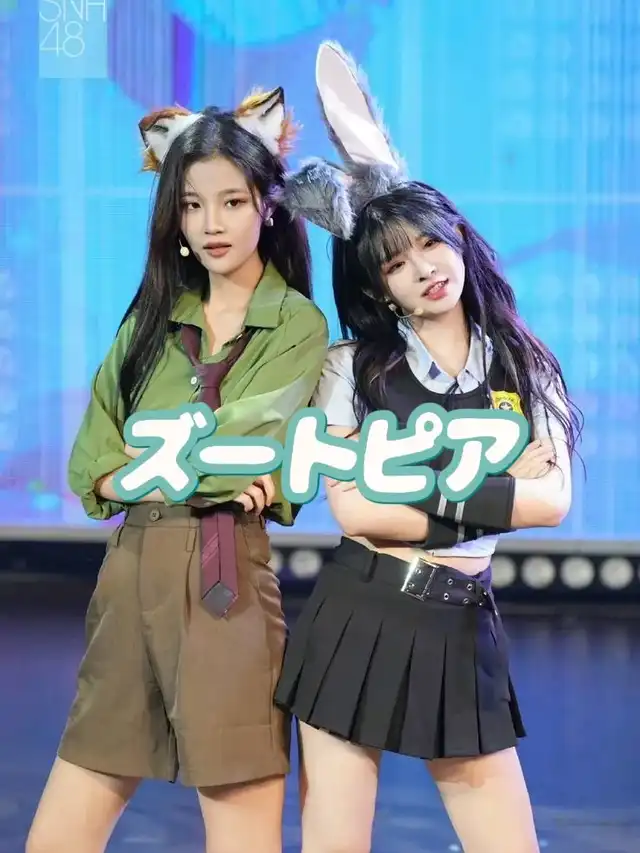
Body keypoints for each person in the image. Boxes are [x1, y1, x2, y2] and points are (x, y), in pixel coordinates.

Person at [274, 42, 582, 853]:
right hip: (359, 610)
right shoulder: (351, 367)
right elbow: (354, 508)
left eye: (430, 245)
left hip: (460, 620)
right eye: (396, 264)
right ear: (378, 288)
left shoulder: (525, 363)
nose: (423, 269)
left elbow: (554, 501)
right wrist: (492, 486)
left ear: (458, 238)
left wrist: (413, 485)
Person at [26, 86, 329, 853]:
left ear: (267, 206)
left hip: (224, 577)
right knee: (61, 828)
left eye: (231, 201)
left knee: (241, 828)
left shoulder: (297, 323)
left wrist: (157, 459)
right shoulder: (149, 318)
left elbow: (250, 441)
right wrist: (156, 466)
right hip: (132, 572)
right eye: (193, 206)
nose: (211, 223)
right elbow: (91, 458)